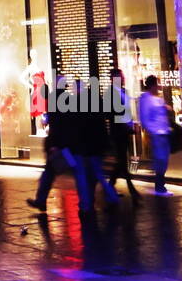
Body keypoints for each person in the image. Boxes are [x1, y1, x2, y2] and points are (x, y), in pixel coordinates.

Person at [27, 80, 79, 216]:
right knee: (73, 171)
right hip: (66, 144)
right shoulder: (68, 100)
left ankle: (41, 200)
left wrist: (53, 144)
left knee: (51, 173)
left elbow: (55, 124)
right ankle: (41, 200)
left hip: (59, 144)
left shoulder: (55, 100)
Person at [71, 79, 119, 215]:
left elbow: (78, 128)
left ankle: (86, 204)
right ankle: (110, 196)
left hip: (84, 146)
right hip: (96, 145)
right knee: (97, 174)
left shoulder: (77, 104)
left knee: (83, 175)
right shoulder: (95, 100)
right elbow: (102, 123)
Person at [106, 68, 141, 202]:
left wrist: (131, 124)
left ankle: (110, 186)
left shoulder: (123, 92)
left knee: (121, 162)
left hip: (124, 130)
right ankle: (131, 189)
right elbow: (112, 115)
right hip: (118, 132)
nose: (123, 78)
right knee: (121, 161)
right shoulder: (111, 94)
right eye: (120, 76)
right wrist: (125, 125)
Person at [138, 75, 173, 195]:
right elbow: (145, 118)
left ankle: (161, 185)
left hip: (164, 132)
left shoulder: (156, 98)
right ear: (152, 85)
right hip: (157, 134)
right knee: (161, 159)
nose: (159, 86)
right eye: (157, 84)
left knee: (164, 159)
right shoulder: (146, 99)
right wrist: (153, 131)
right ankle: (159, 186)